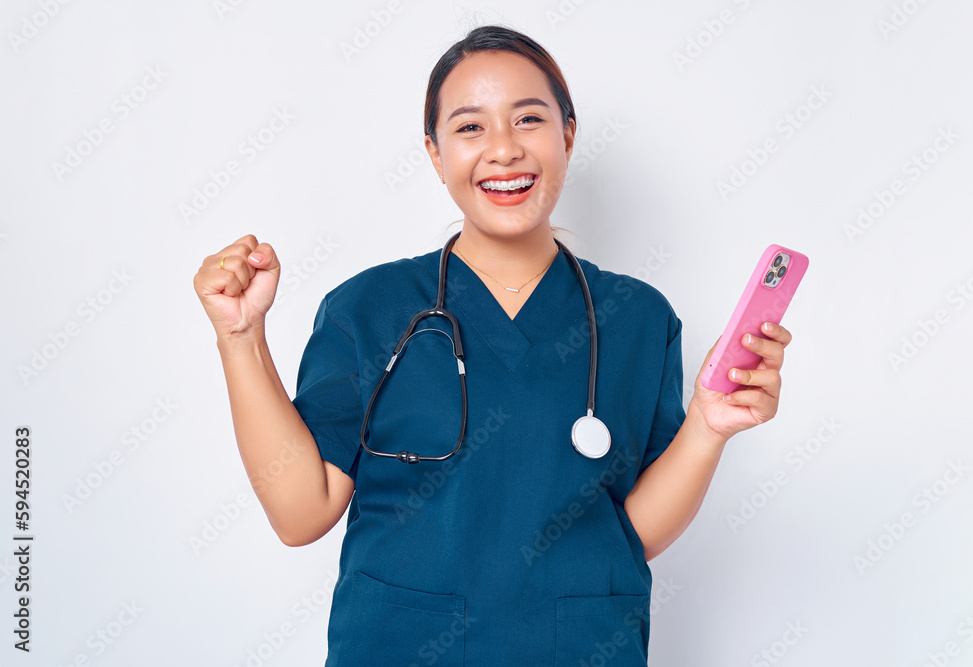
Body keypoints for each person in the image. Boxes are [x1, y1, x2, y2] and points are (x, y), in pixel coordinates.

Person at [193, 24, 792, 666]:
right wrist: (241, 336)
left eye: (528, 119)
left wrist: (707, 427)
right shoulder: (367, 310)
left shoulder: (638, 319)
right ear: (434, 152)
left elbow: (629, 534)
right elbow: (299, 513)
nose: (503, 150)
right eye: (471, 127)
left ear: (567, 135)